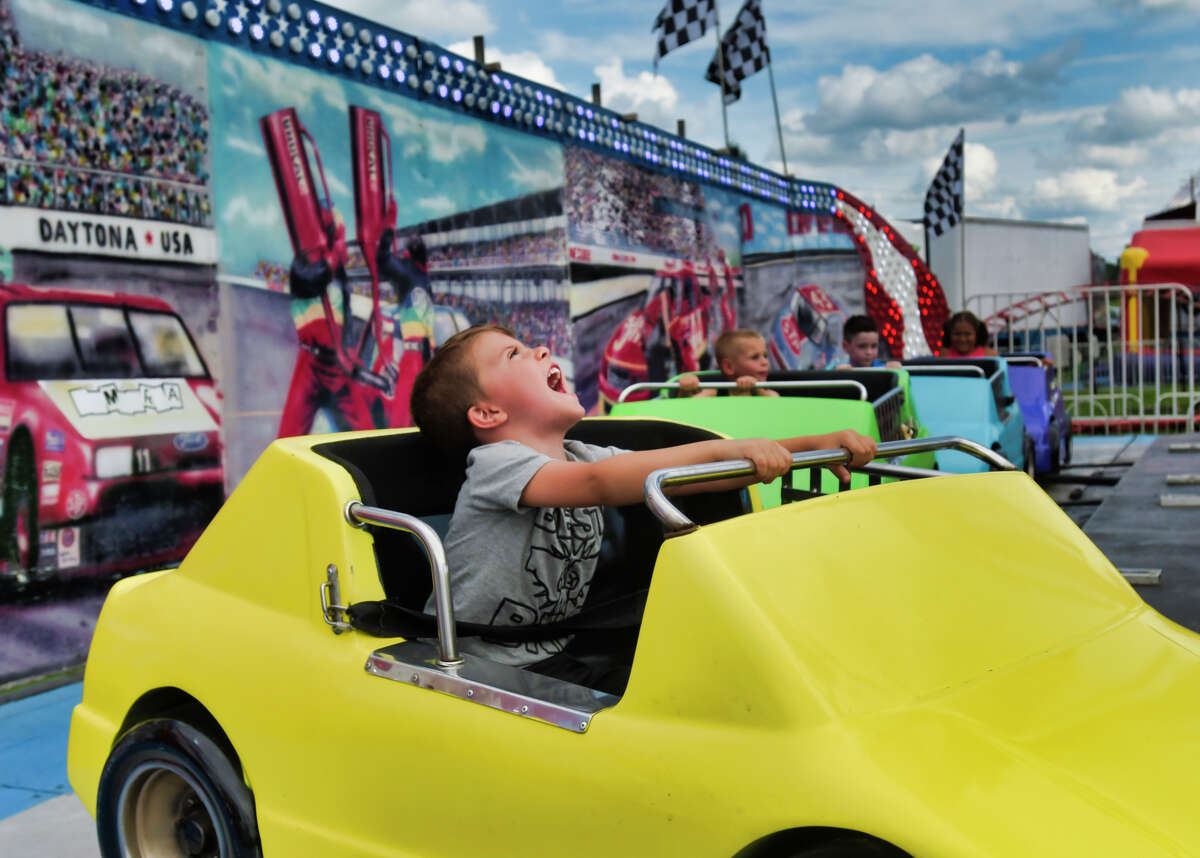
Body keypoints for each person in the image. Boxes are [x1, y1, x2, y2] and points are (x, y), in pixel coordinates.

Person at [409, 324, 876, 690]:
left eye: (529, 346)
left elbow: (679, 479)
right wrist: (727, 451)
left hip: (550, 652)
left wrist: (807, 446)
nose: (540, 351)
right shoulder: (495, 464)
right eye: (514, 354)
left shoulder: (581, 454)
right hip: (467, 664)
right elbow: (599, 484)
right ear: (488, 414)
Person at [678, 329, 779, 398]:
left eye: (765, 356)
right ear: (729, 367)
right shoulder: (711, 393)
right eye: (755, 357)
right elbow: (683, 411)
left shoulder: (767, 393)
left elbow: (776, 404)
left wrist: (757, 390)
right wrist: (685, 390)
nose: (765, 362)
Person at [830, 315, 902, 370]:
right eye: (862, 346)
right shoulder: (836, 369)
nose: (869, 352)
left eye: (874, 346)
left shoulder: (886, 369)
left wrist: (898, 373)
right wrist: (836, 376)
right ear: (845, 346)